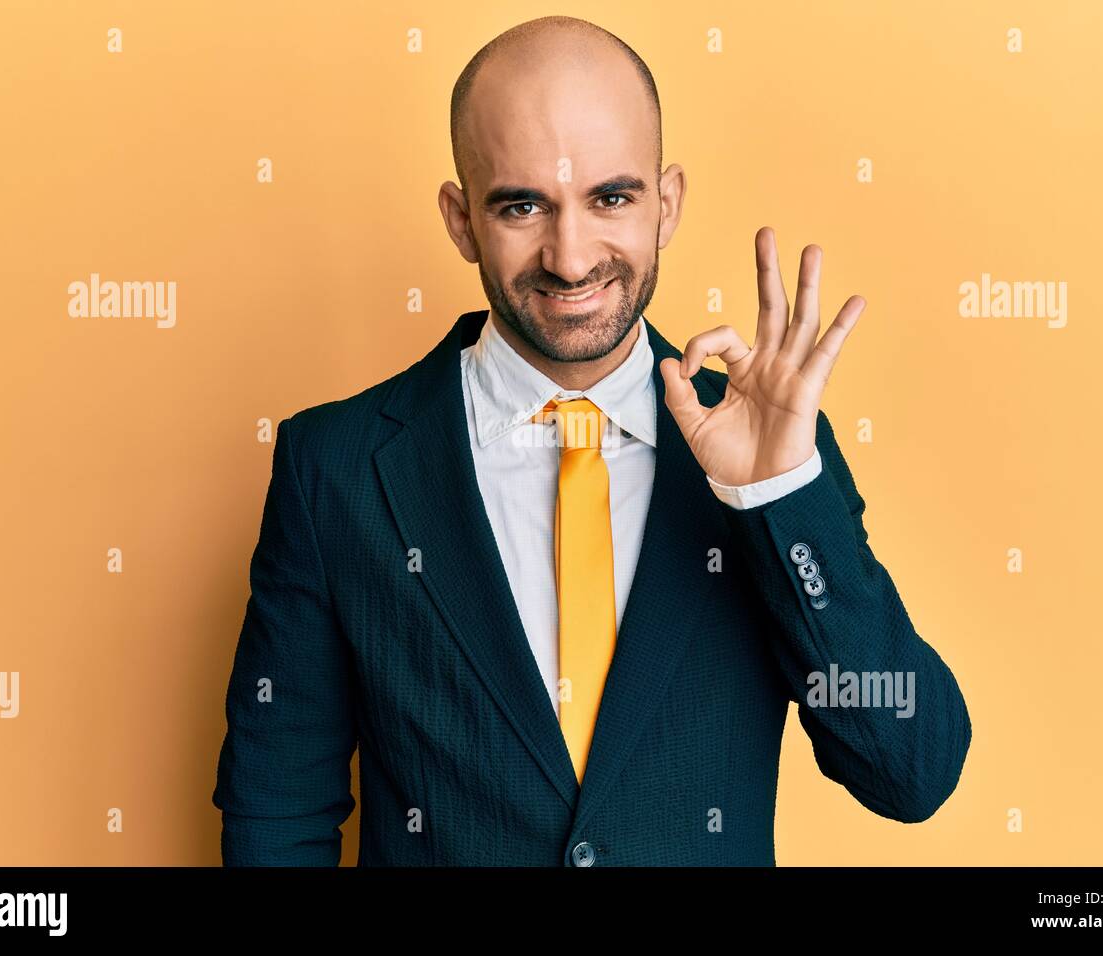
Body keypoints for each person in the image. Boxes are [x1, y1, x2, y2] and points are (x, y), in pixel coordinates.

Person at [210, 15, 970, 867]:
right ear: (461, 220)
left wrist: (778, 499)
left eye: (611, 198)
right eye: (522, 204)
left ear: (667, 202)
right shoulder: (336, 469)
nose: (570, 259)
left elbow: (913, 771)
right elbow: (278, 813)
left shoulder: (772, 451)